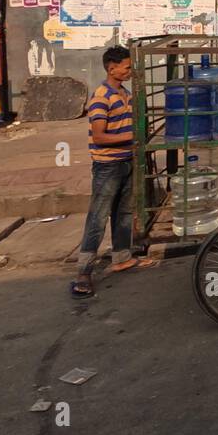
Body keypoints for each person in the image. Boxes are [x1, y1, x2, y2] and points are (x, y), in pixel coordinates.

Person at [70, 45, 154, 298]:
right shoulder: (101, 97)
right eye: (127, 67)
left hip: (126, 161)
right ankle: (83, 272)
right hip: (108, 165)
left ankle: (121, 257)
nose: (130, 71)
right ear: (112, 68)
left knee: (124, 211)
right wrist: (133, 136)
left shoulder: (125, 94)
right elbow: (99, 136)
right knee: (98, 216)